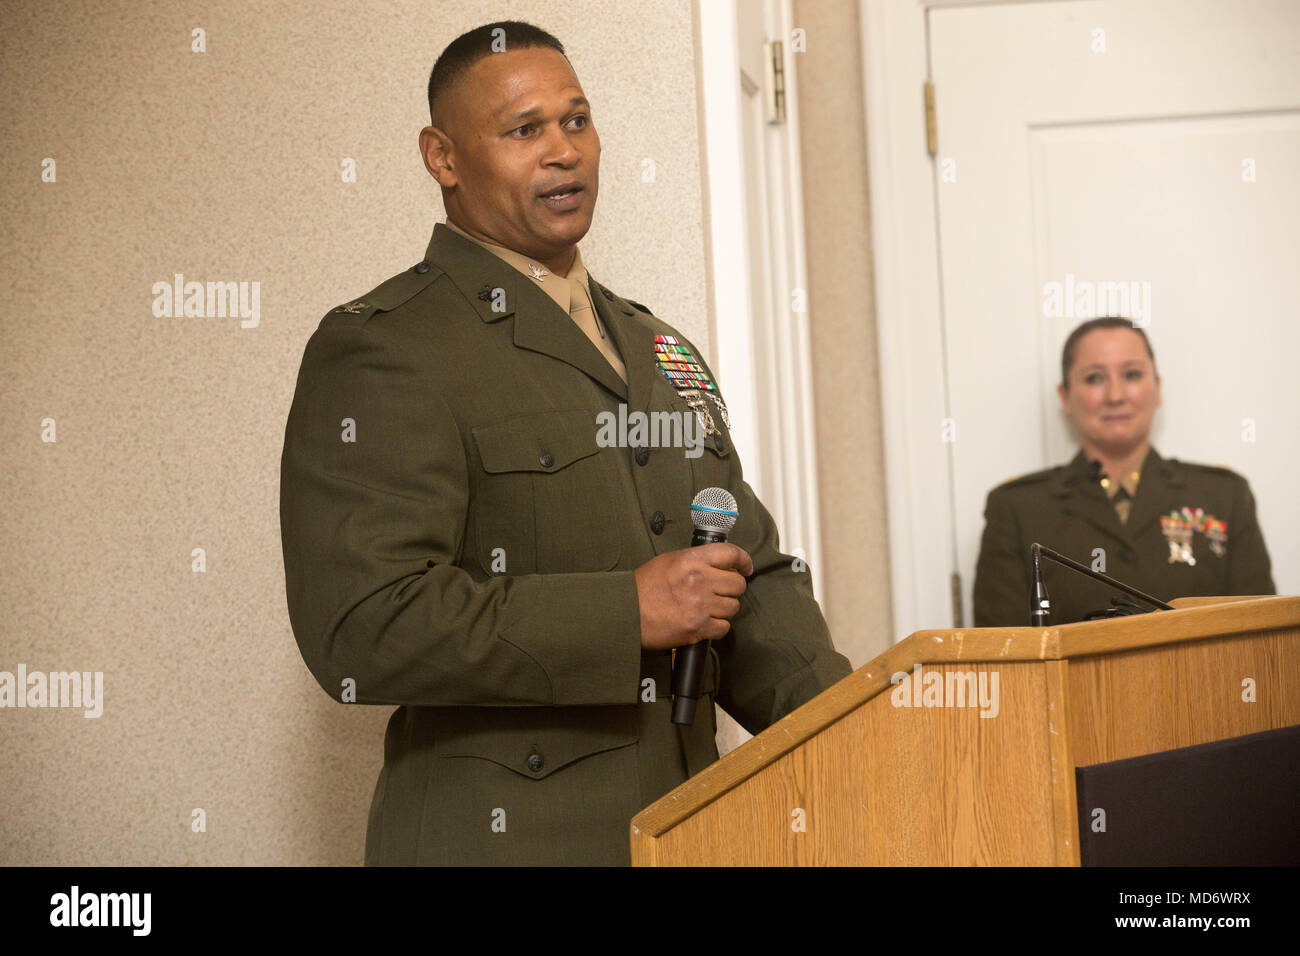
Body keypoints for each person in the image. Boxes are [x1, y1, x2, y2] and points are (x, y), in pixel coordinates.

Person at [278, 20, 852, 866]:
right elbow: (361, 626)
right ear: (443, 157)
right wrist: (628, 611)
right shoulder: (386, 346)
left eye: (577, 121)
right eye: (525, 130)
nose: (563, 152)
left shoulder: (658, 345)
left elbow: (745, 578)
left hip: (690, 834)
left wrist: (861, 729)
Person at [972, 316, 1275, 627]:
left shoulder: (1224, 497)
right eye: (1094, 378)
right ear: (1065, 397)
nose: (1116, 395)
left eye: (1131, 374)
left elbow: (1263, 637)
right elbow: (1002, 654)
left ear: (1156, 389)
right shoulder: (1017, 510)